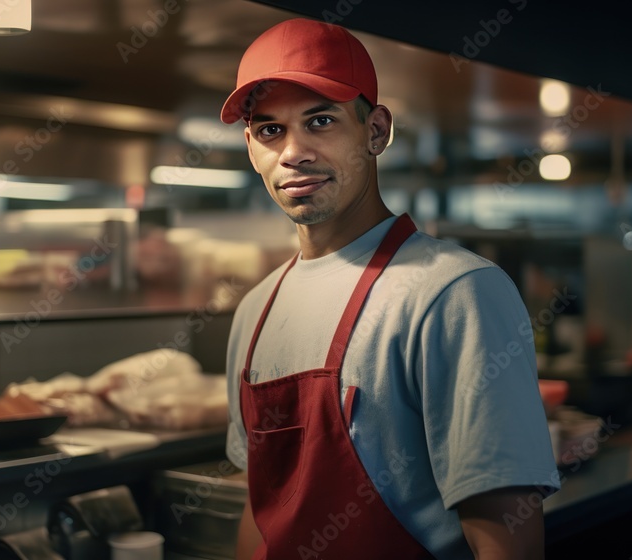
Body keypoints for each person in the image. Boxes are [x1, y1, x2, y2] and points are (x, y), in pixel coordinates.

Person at [221, 18, 558, 559]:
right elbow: (259, 509)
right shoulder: (255, 310)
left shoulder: (455, 292)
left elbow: (505, 531)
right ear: (251, 147)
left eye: (321, 121)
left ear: (376, 131)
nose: (293, 152)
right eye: (269, 131)